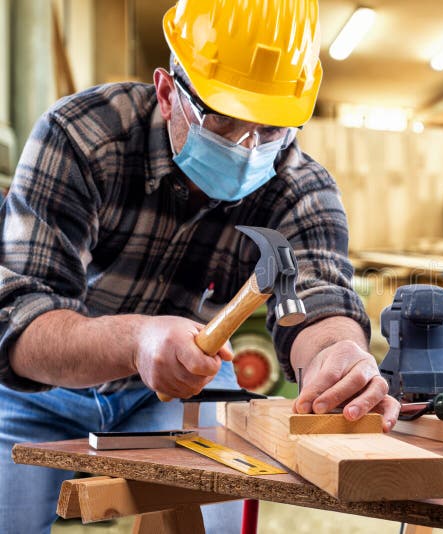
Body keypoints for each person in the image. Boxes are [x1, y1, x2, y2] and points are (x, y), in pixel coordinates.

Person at [0, 1, 399, 531]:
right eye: (224, 118)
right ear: (168, 93)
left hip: (179, 391)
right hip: (41, 387)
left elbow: (319, 300)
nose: (249, 146)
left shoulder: (300, 185)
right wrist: (136, 340)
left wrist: (338, 356)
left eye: (274, 126)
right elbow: (19, 323)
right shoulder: (82, 135)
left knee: (215, 514)